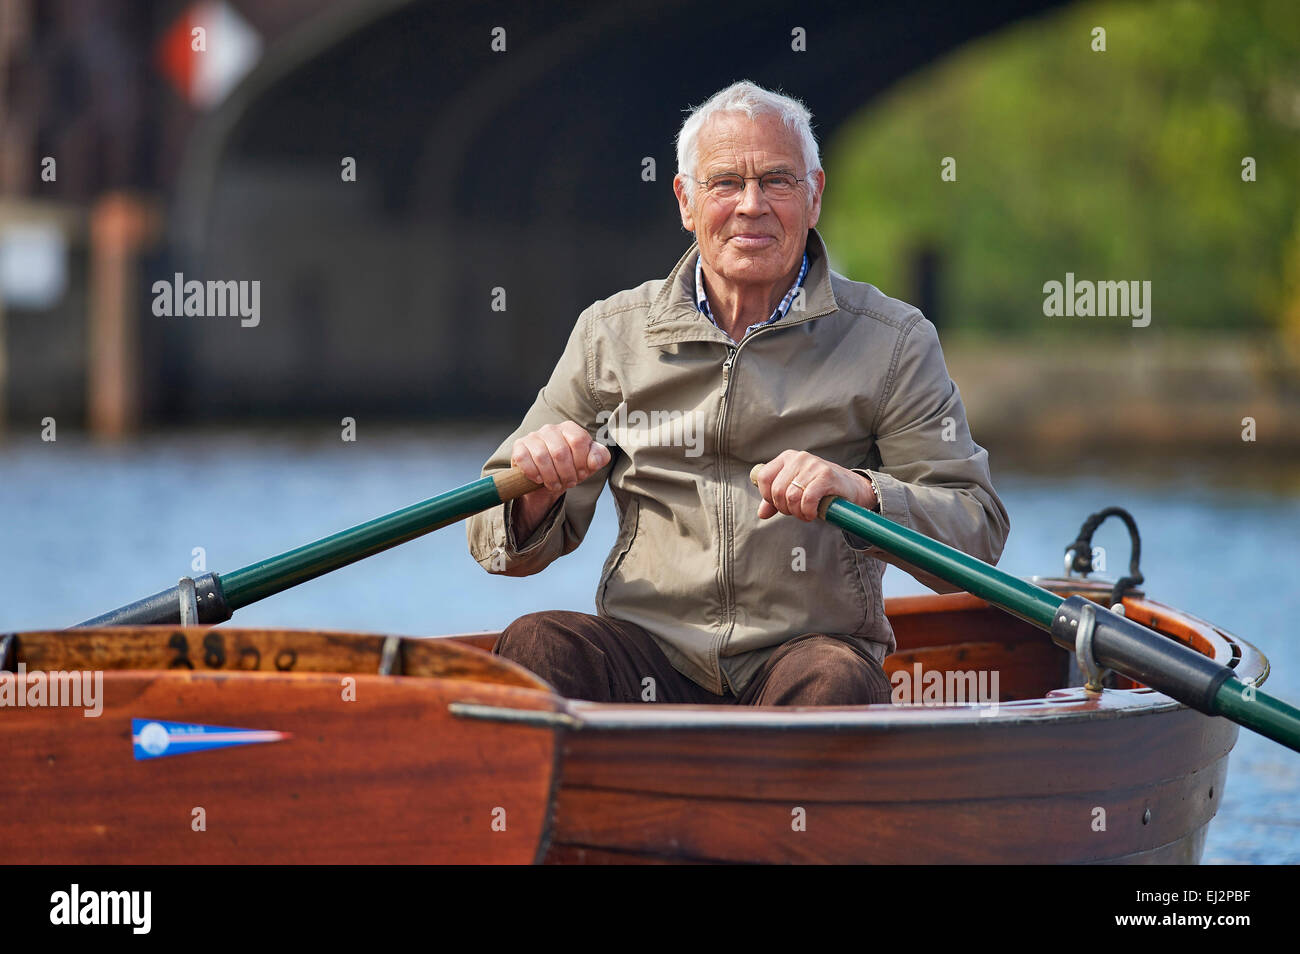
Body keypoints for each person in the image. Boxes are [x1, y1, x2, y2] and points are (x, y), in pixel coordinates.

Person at [466, 80, 1009, 706]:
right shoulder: (609, 335)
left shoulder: (894, 340)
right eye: (725, 183)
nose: (752, 205)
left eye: (778, 181)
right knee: (536, 645)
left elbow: (977, 531)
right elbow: (492, 540)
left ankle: (787, 804)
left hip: (805, 660)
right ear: (685, 202)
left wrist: (863, 493)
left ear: (815, 197)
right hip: (647, 661)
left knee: (835, 681)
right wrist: (539, 490)